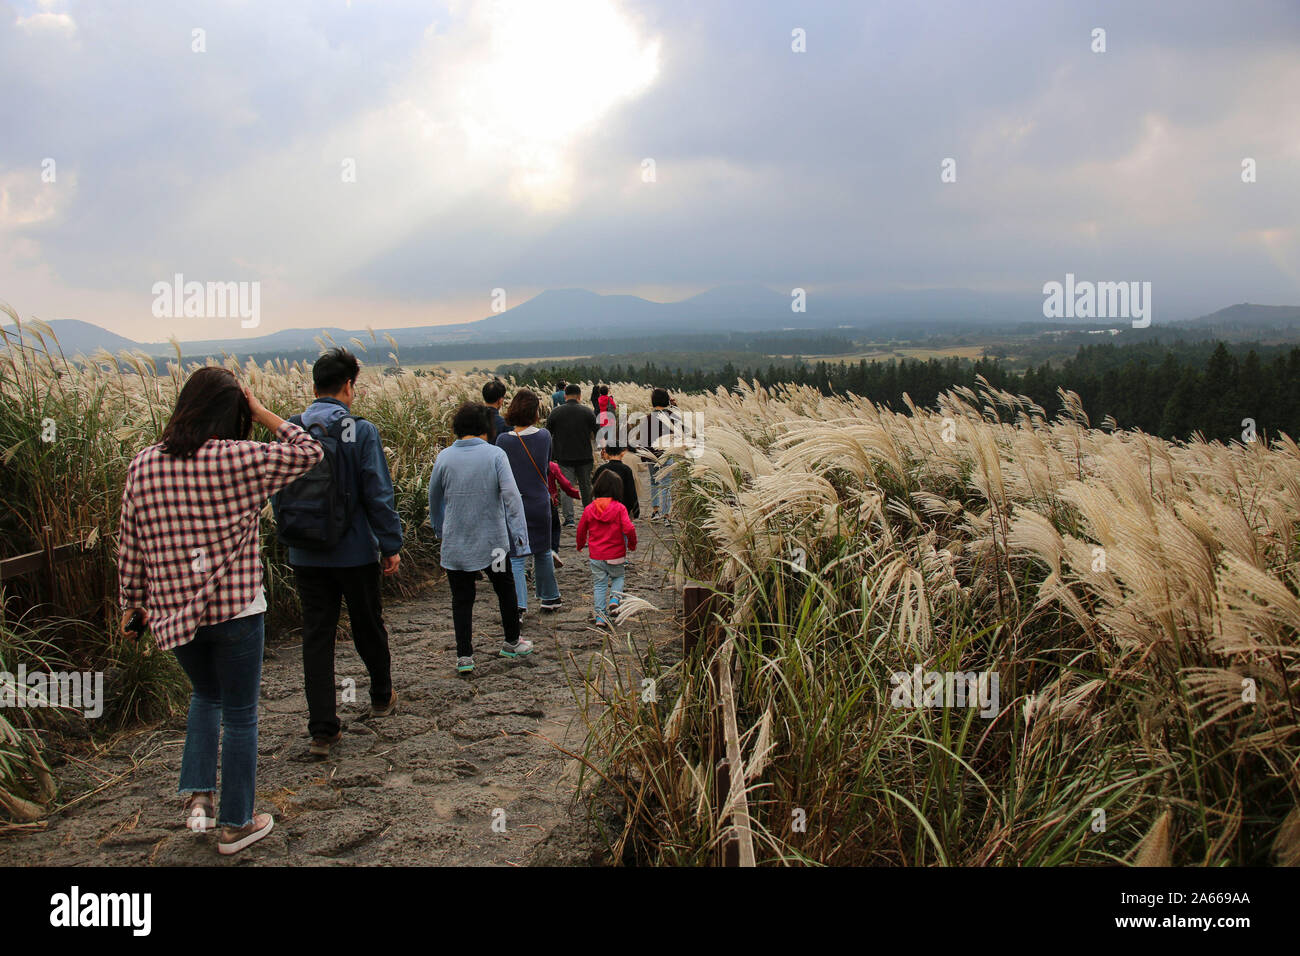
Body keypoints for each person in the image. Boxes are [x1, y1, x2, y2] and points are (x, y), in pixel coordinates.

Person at [118, 367, 322, 855]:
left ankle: (200, 805)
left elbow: (130, 546)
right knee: (241, 713)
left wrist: (133, 605)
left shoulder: (142, 466)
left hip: (171, 614)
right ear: (232, 412)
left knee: (204, 697)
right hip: (236, 611)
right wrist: (261, 413)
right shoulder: (238, 458)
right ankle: (236, 824)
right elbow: (309, 450)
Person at [278, 348, 403, 760]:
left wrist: (293, 537)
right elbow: (377, 493)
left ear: (313, 386)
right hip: (353, 552)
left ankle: (323, 730)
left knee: (317, 638)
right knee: (368, 623)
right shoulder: (359, 431)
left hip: (306, 554)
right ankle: (382, 697)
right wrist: (390, 545)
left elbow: (278, 494)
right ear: (349, 386)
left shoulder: (290, 429)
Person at [427, 402, 532, 673]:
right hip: (493, 544)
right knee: (504, 589)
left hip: (456, 544)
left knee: (461, 598)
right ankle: (511, 641)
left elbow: (434, 498)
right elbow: (511, 497)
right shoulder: (495, 455)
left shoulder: (444, 457)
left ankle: (464, 656)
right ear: (484, 428)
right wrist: (520, 536)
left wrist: (440, 529)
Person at [496, 389, 562, 614]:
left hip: (514, 503)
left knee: (515, 555)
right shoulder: (544, 436)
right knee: (542, 550)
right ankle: (550, 597)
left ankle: (519, 605)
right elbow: (546, 466)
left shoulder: (503, 440)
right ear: (535, 412)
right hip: (539, 501)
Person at [576, 470, 638, 626]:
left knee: (599, 585)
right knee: (618, 577)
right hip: (616, 554)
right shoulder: (619, 508)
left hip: (596, 555)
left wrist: (580, 543)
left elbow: (581, 529)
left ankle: (600, 617)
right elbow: (629, 528)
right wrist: (632, 543)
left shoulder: (589, 508)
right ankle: (615, 598)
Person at [545, 383, 598, 526]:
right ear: (580, 396)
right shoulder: (587, 412)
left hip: (563, 457)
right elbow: (598, 432)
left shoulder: (555, 412)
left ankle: (569, 519)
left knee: (566, 488)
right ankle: (589, 515)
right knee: (586, 486)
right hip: (585, 456)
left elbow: (547, 434)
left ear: (565, 396)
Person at [634, 387, 684, 522]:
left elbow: (643, 439)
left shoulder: (648, 418)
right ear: (667, 400)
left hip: (652, 455)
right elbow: (681, 430)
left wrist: (644, 456)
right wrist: (675, 407)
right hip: (668, 454)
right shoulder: (672, 417)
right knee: (666, 483)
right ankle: (666, 514)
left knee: (654, 481)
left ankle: (655, 511)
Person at [547, 460, 581, 568]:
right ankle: (553, 550)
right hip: (549, 502)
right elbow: (564, 483)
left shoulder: (524, 462)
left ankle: (527, 567)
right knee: (555, 529)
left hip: (527, 502)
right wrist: (575, 493)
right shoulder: (552, 466)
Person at [594, 444, 639, 519]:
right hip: (622, 507)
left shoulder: (601, 469)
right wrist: (635, 510)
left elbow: (595, 488)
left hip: (604, 507)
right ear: (622, 453)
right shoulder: (626, 469)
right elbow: (631, 490)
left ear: (607, 453)